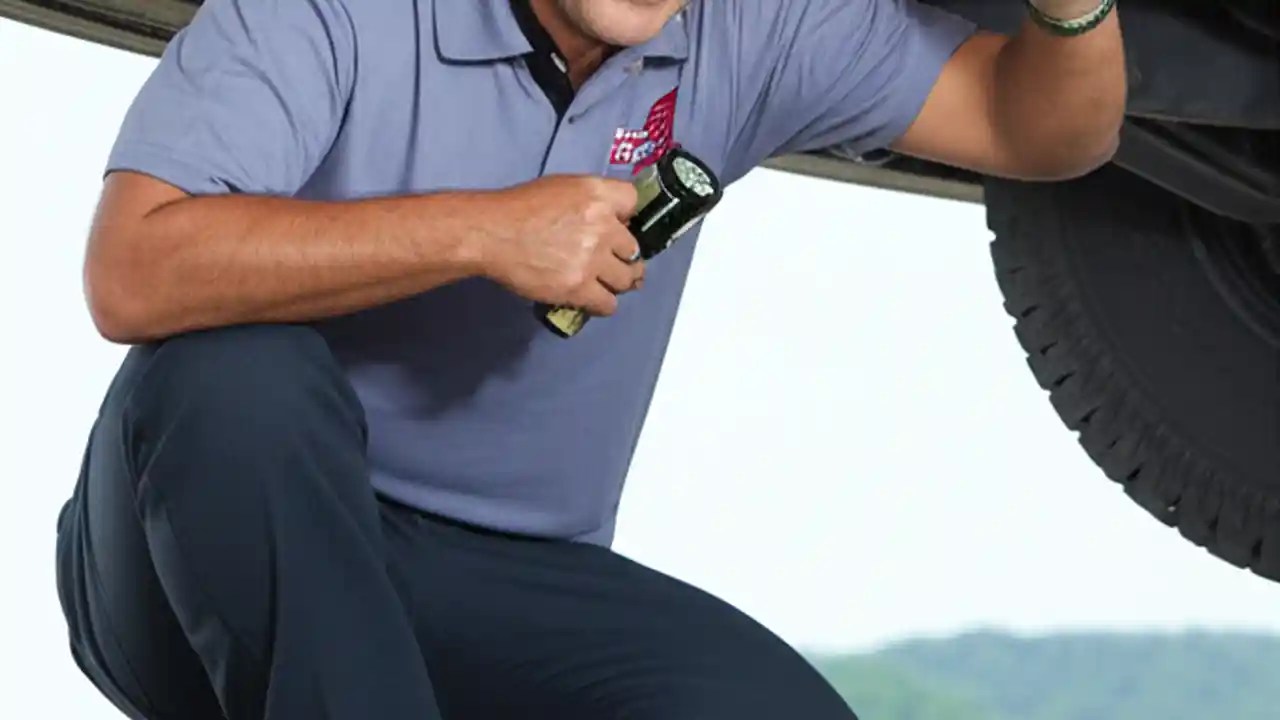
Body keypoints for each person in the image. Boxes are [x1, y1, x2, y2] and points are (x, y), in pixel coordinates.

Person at [54, 0, 1126, 718]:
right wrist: (479, 231)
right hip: (201, 548)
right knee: (236, 380)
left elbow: (1034, 126)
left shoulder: (743, 28)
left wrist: (1069, 7)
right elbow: (134, 269)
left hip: (500, 581)